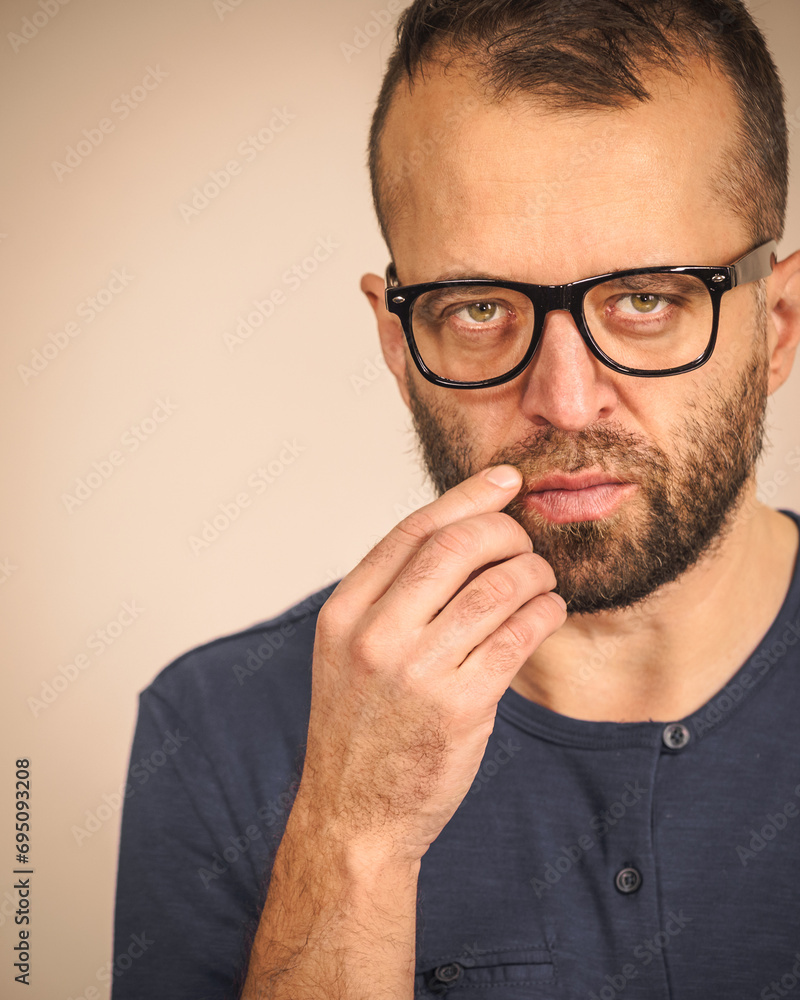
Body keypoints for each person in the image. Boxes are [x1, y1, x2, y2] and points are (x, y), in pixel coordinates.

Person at [112, 1, 800, 997]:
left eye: (646, 297)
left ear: (775, 324)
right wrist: (353, 841)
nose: (564, 401)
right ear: (399, 349)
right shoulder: (214, 729)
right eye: (478, 308)